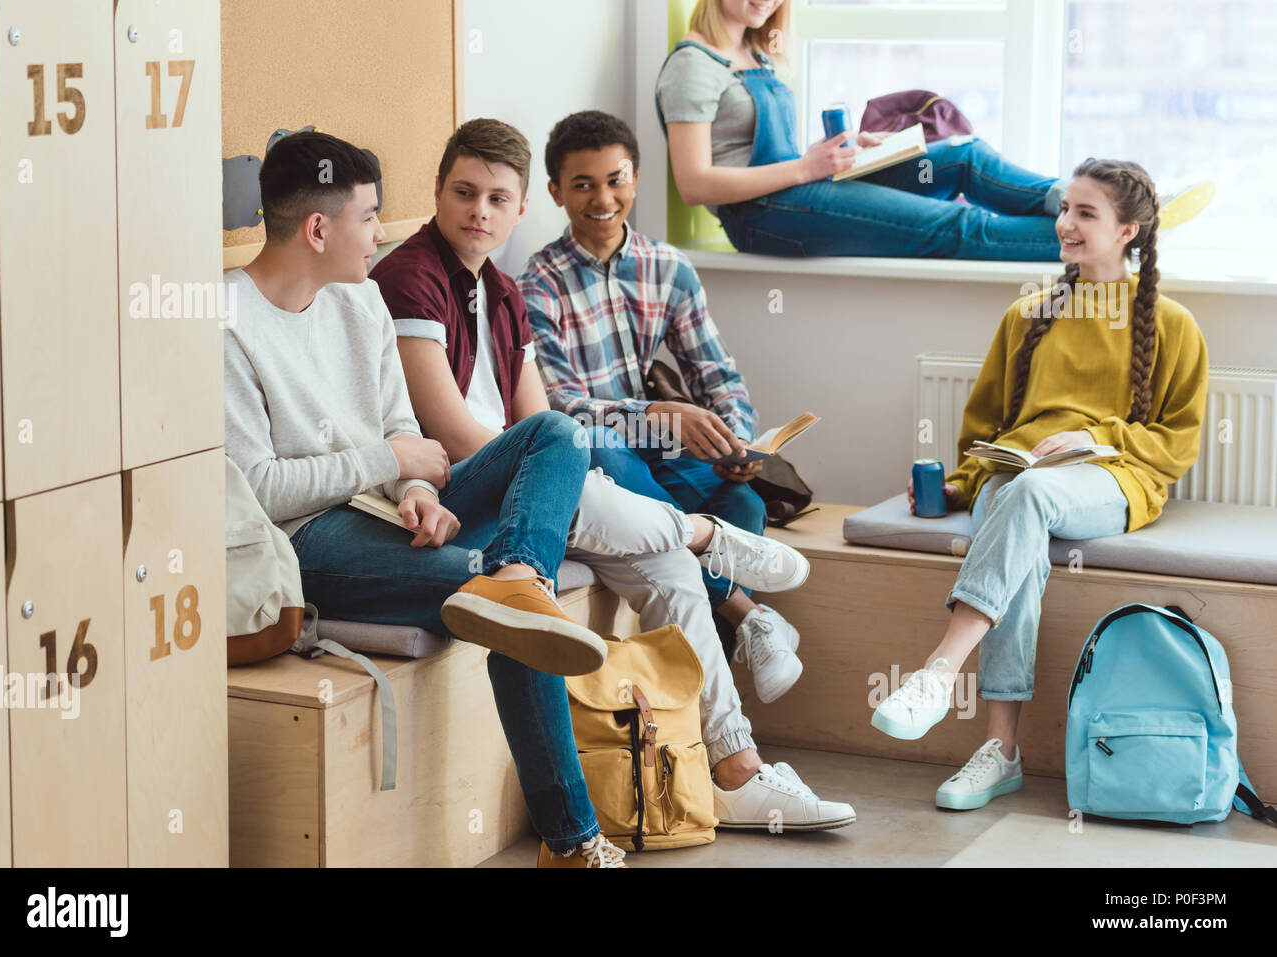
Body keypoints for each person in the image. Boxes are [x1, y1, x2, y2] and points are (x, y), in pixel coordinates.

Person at [371, 117, 857, 831]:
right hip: (454, 490)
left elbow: (544, 426)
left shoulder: (503, 293)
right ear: (437, 193)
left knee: (664, 560)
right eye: (465, 193)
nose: (480, 212)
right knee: (584, 451)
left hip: (526, 487)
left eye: (497, 199)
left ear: (520, 207)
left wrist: (554, 461)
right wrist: (549, 459)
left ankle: (736, 767)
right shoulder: (411, 276)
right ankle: (704, 533)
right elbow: (455, 433)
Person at [222, 130, 628, 868]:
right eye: (370, 216)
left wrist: (414, 486)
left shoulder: (360, 301)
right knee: (511, 616)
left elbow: (400, 427)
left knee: (555, 434)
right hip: (305, 541)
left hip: (383, 510)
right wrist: (391, 462)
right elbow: (258, 491)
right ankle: (571, 841)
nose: (383, 232)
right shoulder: (225, 324)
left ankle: (516, 575)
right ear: (319, 228)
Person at [870, 158, 1208, 809]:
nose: (1066, 224)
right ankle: (1000, 752)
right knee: (1014, 509)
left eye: (1086, 213)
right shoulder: (1028, 313)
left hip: (1115, 477)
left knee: (1024, 500)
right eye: (1065, 209)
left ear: (1129, 229)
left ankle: (939, 671)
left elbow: (1176, 441)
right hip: (1023, 478)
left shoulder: (1172, 325)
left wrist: (1096, 439)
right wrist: (963, 483)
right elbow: (985, 425)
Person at [518, 110, 810, 702]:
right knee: (607, 455)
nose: (603, 198)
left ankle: (706, 685)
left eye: (616, 179)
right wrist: (651, 415)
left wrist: (739, 440)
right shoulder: (537, 284)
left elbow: (717, 373)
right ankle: (748, 614)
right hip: (597, 454)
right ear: (555, 192)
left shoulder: (668, 268)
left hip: (661, 451)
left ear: (636, 177)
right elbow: (562, 408)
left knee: (739, 498)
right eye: (583, 184)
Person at [656, 0, 1211, 260]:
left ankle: (1089, 206)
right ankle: (1100, 237)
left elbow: (763, 153)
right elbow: (697, 183)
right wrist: (807, 166)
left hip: (798, 190)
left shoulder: (758, 54)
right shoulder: (692, 65)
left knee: (964, 155)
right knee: (956, 225)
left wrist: (841, 153)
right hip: (764, 219)